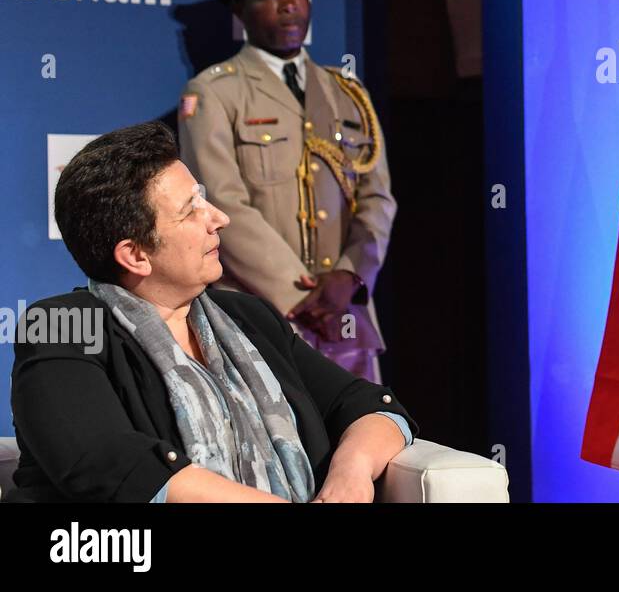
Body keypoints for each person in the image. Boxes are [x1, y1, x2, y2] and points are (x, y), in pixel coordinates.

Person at [6, 122, 414, 503]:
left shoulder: (247, 316)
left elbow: (366, 404)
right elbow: (105, 462)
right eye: (191, 210)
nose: (219, 218)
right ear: (135, 255)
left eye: (204, 198)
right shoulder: (62, 325)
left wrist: (352, 473)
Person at [177, 0, 396, 381]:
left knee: (365, 441)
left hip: (345, 317)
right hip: (259, 315)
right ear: (239, 6)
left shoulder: (347, 93)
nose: (289, 3)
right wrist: (298, 295)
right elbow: (221, 201)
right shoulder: (215, 92)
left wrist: (349, 277)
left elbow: (377, 199)